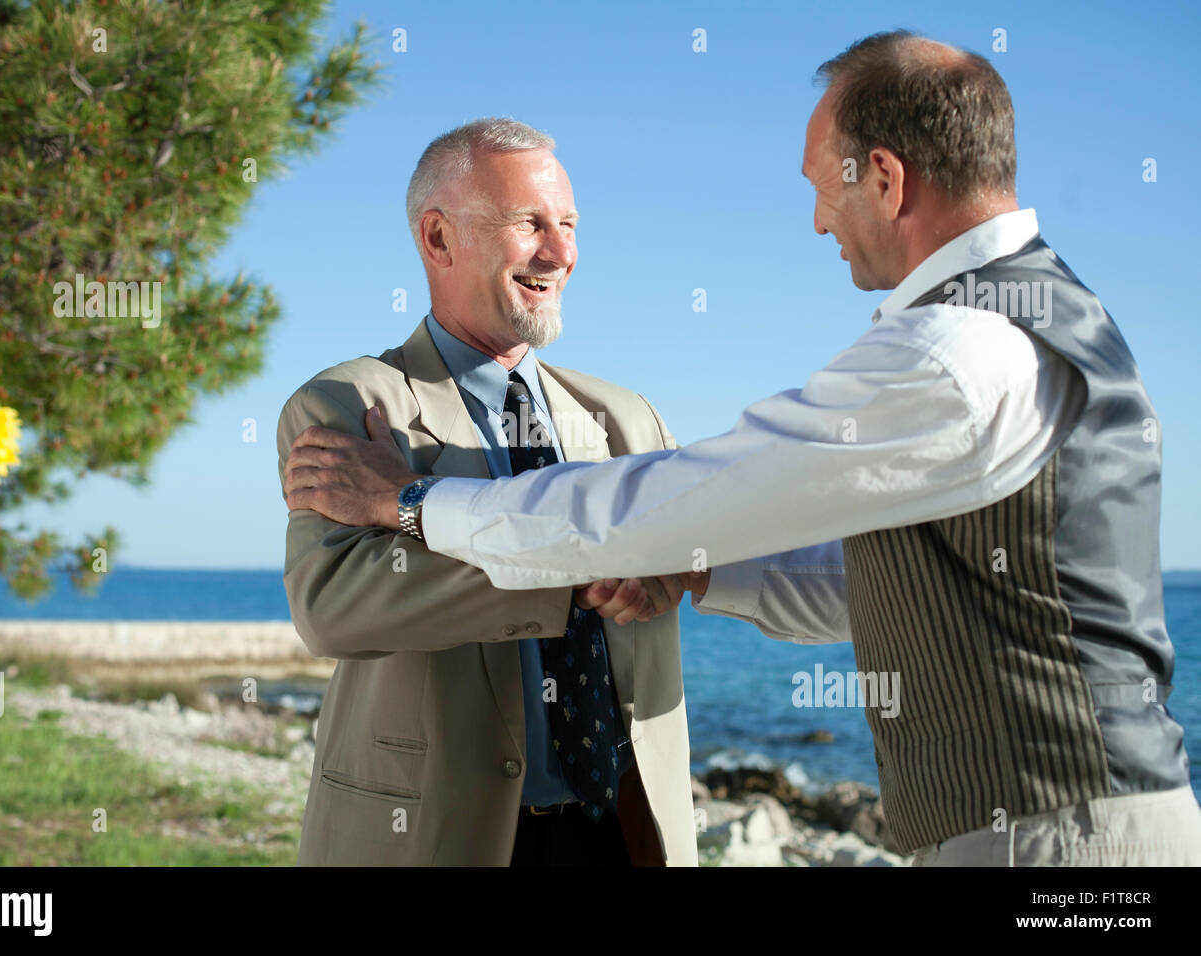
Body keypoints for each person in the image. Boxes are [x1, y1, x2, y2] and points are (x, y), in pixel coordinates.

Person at [285, 34, 1201, 866]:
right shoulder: (1042, 317)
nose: (815, 222)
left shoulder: (954, 352)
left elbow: (679, 501)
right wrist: (695, 575)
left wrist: (415, 506)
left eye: (820, 186)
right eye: (531, 223)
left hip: (1060, 847)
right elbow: (866, 579)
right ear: (436, 235)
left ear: (884, 177)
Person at [278, 118, 697, 866]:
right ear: (437, 240)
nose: (561, 252)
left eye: (568, 224)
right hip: (437, 836)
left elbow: (706, 554)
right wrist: (569, 575)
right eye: (529, 223)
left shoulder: (632, 418)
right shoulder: (349, 407)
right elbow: (333, 608)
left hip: (628, 833)